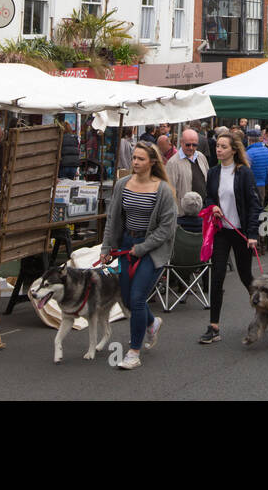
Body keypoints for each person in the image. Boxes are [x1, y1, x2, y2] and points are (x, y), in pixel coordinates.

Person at [99, 140, 176, 371]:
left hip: (151, 248)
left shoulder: (162, 189)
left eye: (140, 159)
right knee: (127, 297)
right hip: (126, 245)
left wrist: (143, 247)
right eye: (134, 158)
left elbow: (167, 227)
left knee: (138, 297)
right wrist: (105, 248)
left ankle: (134, 351)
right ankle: (151, 323)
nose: (135, 162)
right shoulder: (122, 184)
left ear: (152, 162)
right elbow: (112, 219)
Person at [198, 132, 262, 345]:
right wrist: (212, 205)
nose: (218, 149)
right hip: (222, 231)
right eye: (217, 146)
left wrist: (253, 234)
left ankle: (262, 312)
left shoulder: (244, 173)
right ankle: (213, 326)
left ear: (234, 150)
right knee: (216, 276)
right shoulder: (214, 172)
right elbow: (208, 196)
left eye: (223, 147)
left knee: (245, 275)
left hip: (241, 231)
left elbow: (255, 204)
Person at [166, 128, 209, 200]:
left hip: (203, 207)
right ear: (181, 142)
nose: (191, 148)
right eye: (188, 145)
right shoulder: (173, 163)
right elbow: (170, 192)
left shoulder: (201, 157)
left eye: (194, 145)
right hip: (184, 209)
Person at [245, 126, 268, 205]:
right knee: (259, 210)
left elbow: (244, 173)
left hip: (249, 187)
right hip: (261, 186)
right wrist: (264, 181)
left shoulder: (248, 154)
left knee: (249, 211)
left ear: (249, 140)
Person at [57, 115, 80, 179]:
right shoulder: (75, 138)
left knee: (62, 186)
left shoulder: (61, 138)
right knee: (69, 185)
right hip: (73, 166)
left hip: (64, 165)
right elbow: (76, 151)